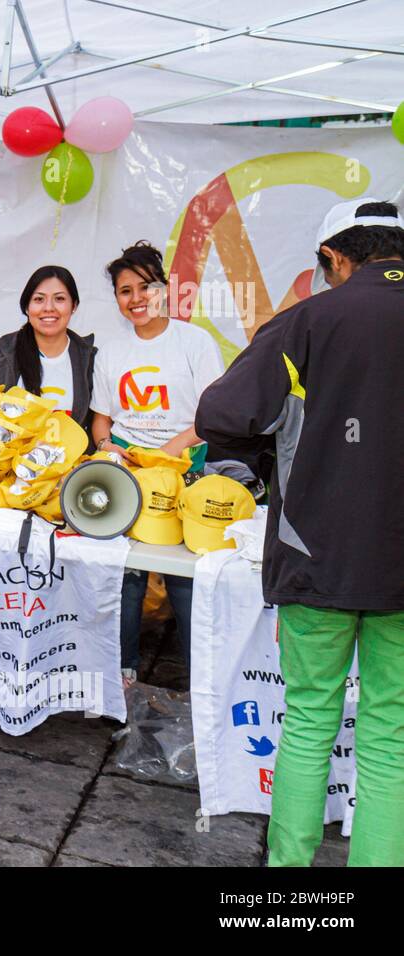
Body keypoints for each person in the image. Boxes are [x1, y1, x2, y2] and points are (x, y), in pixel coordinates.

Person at [197, 199, 404, 867]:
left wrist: (276, 464)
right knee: (391, 736)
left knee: (311, 720)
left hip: (316, 557)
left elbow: (221, 415)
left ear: (336, 259)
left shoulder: (308, 320)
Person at [89, 241, 225, 685]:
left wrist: (167, 455)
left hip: (184, 465)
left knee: (184, 575)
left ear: (164, 288)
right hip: (131, 471)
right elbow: (102, 420)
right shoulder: (111, 351)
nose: (136, 299)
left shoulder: (194, 342)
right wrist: (110, 447)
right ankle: (122, 669)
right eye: (125, 291)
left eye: (145, 287)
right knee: (127, 571)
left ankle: (197, 677)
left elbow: (210, 416)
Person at [0, 265, 96, 429]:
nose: (49, 307)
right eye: (39, 299)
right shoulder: (1, 354)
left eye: (59, 299)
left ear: (74, 306)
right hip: (8, 453)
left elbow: (98, 424)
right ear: (27, 307)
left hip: (73, 455)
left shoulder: (90, 359)